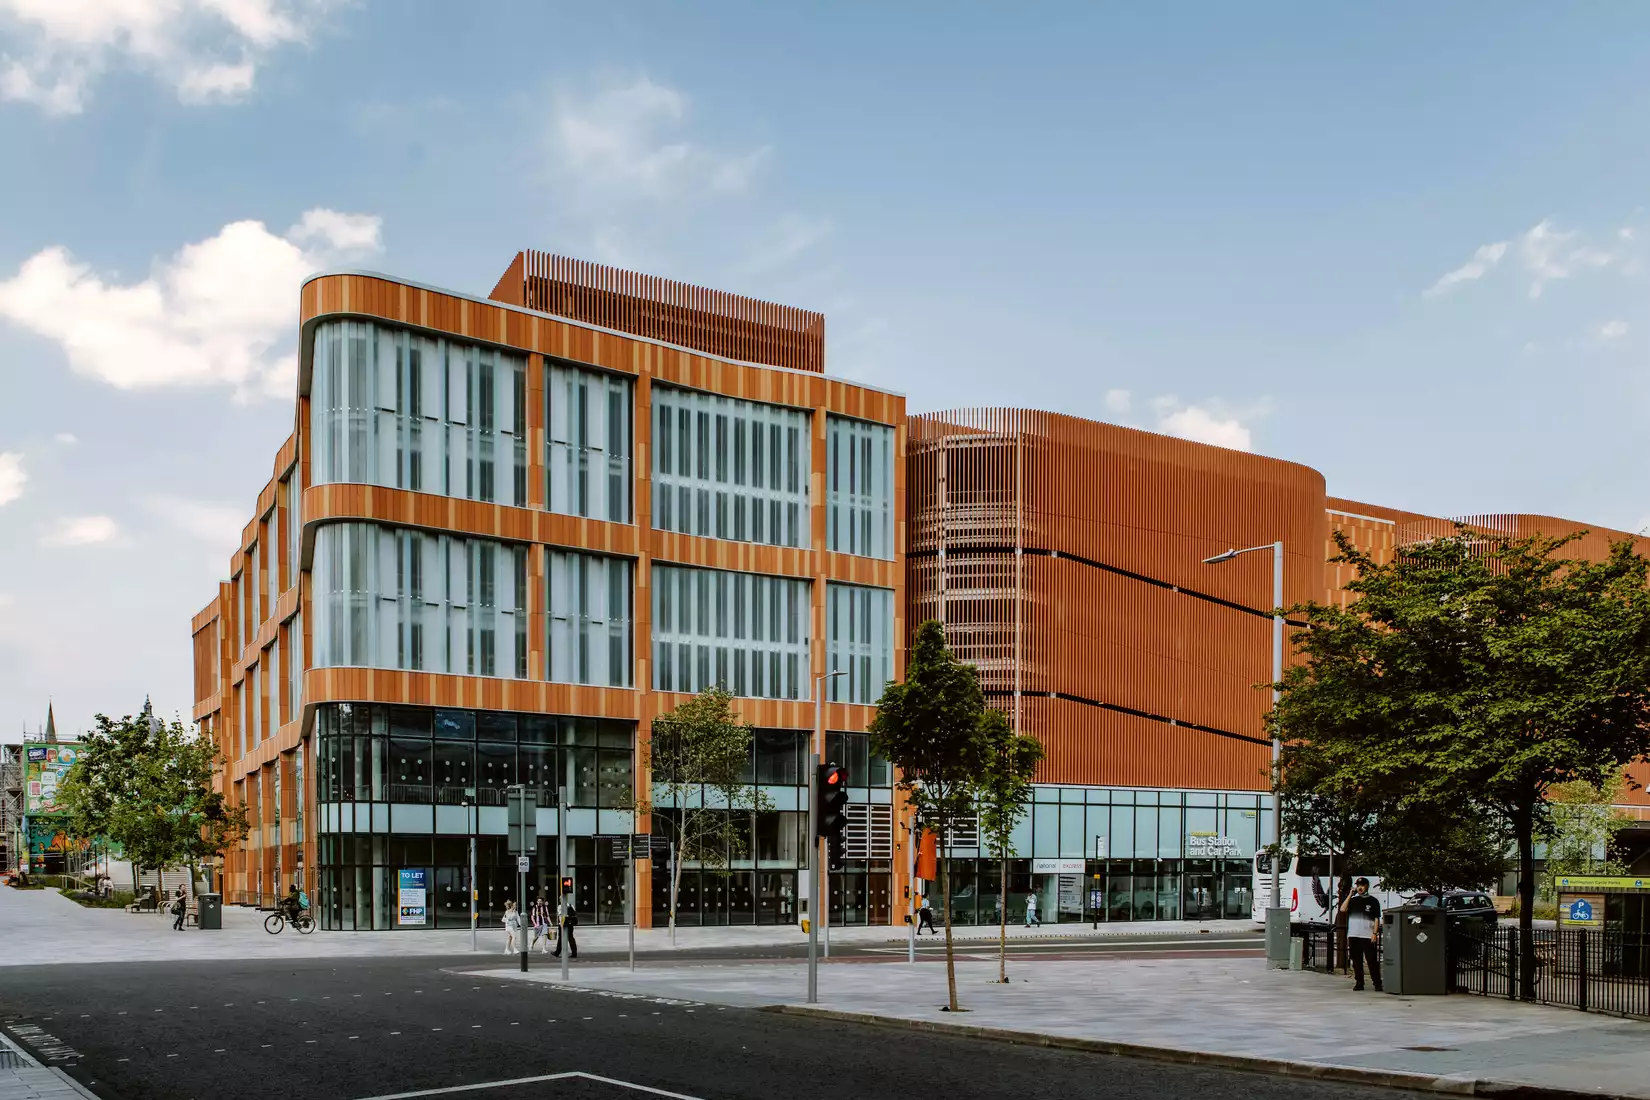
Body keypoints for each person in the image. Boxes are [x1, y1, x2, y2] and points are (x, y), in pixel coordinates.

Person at [1340, 877, 1383, 991]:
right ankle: (1359, 982)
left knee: (1371, 960)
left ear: (1367, 886)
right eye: (1358, 885)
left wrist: (1375, 933)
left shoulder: (1373, 901)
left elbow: (1376, 919)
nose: (1360, 887)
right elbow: (1343, 909)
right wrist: (1350, 894)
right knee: (1356, 961)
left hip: (1367, 935)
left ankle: (1377, 983)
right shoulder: (1353, 901)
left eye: (1362, 885)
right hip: (1354, 935)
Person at [552, 894, 579, 959]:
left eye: (560, 899)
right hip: (570, 924)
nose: (560, 900)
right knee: (571, 938)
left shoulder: (560, 906)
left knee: (561, 939)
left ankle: (557, 952)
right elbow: (574, 914)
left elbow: (560, 916)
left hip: (563, 924)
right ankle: (574, 953)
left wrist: (561, 924)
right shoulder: (570, 905)